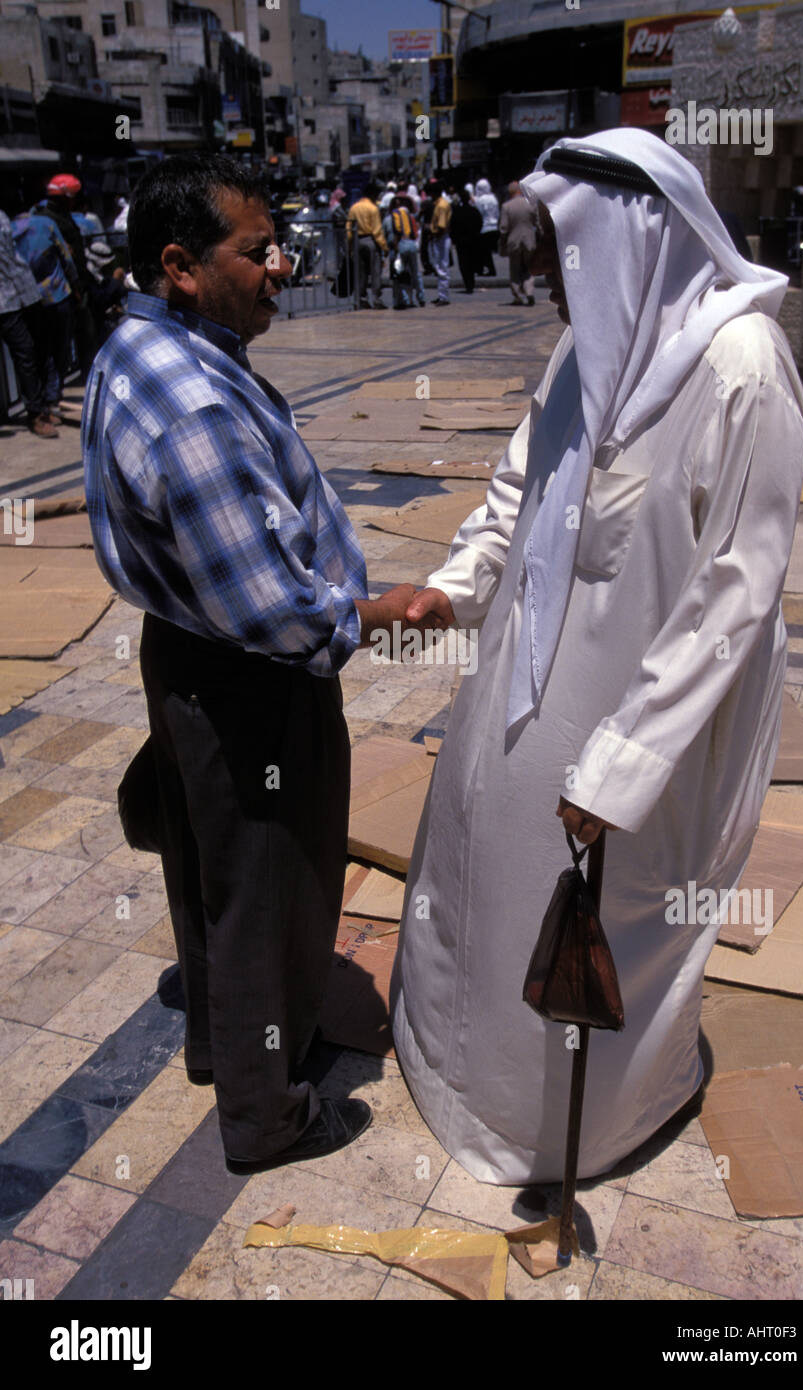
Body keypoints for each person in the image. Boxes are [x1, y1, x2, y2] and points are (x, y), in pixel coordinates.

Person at [390, 129, 803, 1185]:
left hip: (644, 724)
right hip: (520, 687)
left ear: (628, 242)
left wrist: (622, 766)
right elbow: (514, 491)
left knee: (607, 930)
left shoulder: (742, 367)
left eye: (561, 269)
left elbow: (737, 587)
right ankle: (464, 1089)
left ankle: (576, 1126)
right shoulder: (587, 349)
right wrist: (450, 587)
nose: (553, 298)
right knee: (483, 892)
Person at [82, 154, 420, 1172]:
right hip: (250, 680)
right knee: (269, 894)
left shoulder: (145, 348)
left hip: (189, 656)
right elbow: (277, 610)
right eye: (256, 250)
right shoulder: (194, 403)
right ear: (181, 265)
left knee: (211, 874)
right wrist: (379, 611)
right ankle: (269, 1114)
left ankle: (216, 1048)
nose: (281, 266)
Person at [12, 197, 80, 422]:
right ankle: (53, 397)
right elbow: (66, 257)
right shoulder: (45, 224)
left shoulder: (8, 230)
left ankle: (44, 399)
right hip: (57, 294)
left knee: (39, 350)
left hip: (28, 299)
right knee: (60, 348)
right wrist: (76, 284)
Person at [0, 207, 56, 437]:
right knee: (23, 352)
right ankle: (35, 413)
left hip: (25, 289)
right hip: (4, 299)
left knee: (39, 348)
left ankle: (43, 403)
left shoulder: (2, 215)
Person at [37, 174, 98, 378]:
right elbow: (66, 256)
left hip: (72, 284)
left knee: (82, 334)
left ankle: (85, 375)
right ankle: (62, 382)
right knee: (67, 338)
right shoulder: (49, 220)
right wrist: (75, 285)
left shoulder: (61, 216)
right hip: (62, 288)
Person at [346, 181, 387, 309]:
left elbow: (348, 227)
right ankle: (376, 299)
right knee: (375, 271)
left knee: (360, 272)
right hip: (371, 240)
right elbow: (377, 230)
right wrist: (384, 246)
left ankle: (361, 299)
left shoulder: (354, 207)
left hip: (358, 240)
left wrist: (350, 245)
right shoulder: (373, 208)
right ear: (373, 194)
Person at [382, 195, 424, 309]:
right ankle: (421, 297)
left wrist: (386, 251)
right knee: (415, 273)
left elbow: (386, 236)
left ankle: (401, 300)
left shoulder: (388, 219)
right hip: (411, 245)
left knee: (398, 275)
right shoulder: (409, 217)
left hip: (397, 248)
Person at [499, 181, 537, 305]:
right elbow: (538, 223)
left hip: (513, 241)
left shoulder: (507, 206)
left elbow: (503, 227)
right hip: (529, 240)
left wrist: (503, 242)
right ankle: (529, 291)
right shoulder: (530, 204)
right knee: (528, 268)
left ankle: (518, 295)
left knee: (515, 269)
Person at [450, 187, 483, 294]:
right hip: (473, 240)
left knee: (463, 263)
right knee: (472, 261)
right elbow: (479, 223)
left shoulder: (457, 212)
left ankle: (468, 284)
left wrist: (454, 239)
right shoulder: (474, 211)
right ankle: (471, 283)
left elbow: (452, 226)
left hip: (461, 242)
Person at [429, 181, 452, 306]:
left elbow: (441, 225)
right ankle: (441, 294)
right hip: (441, 237)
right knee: (440, 266)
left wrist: (434, 235)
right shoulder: (440, 204)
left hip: (441, 237)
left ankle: (444, 297)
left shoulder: (441, 206)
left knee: (442, 267)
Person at [474, 178, 500, 276]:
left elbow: (478, 214)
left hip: (484, 228)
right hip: (494, 227)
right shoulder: (493, 198)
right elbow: (497, 213)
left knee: (485, 252)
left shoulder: (479, 200)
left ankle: (489, 269)